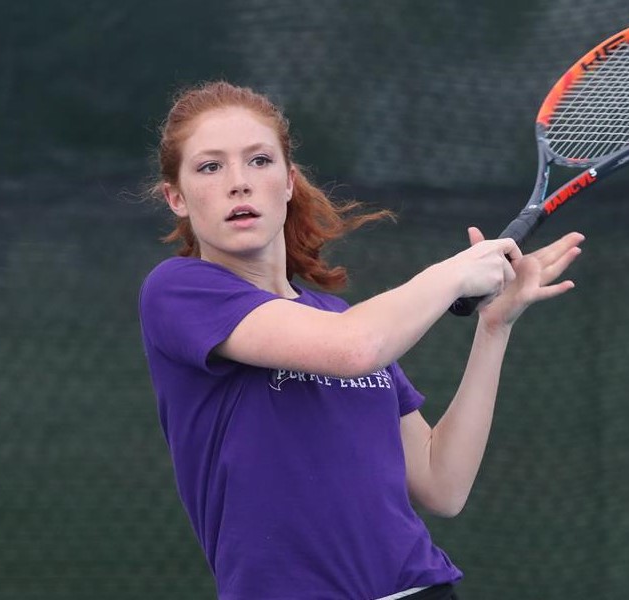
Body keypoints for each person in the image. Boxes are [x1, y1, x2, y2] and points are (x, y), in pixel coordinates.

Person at [138, 80, 584, 600]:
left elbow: (442, 484)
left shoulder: (337, 316)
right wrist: (456, 273)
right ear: (177, 197)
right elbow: (352, 349)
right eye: (210, 166)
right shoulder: (178, 292)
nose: (239, 182)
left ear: (287, 182)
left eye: (259, 160)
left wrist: (494, 329)